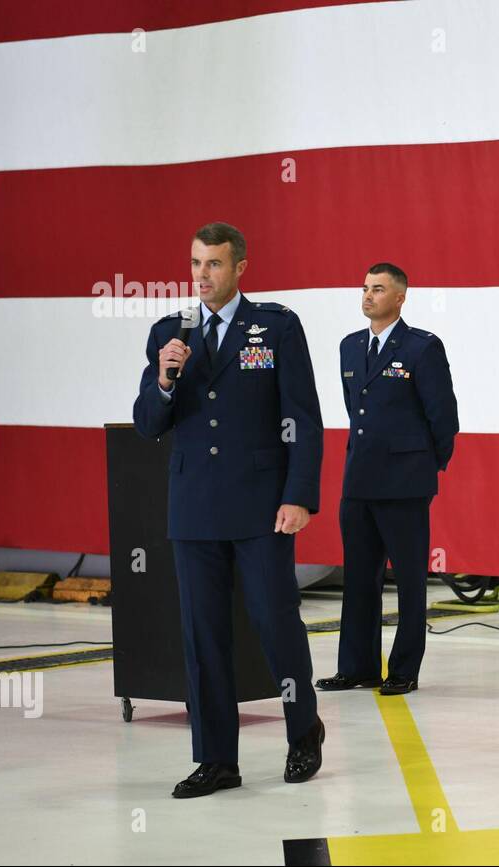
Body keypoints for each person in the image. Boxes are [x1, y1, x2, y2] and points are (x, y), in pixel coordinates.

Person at [133, 222, 325, 798]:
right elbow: (148, 422)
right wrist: (165, 379)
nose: (201, 275)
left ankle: (302, 731)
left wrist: (299, 495)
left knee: (275, 621)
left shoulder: (277, 326)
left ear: (240, 266)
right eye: (194, 263)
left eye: (213, 264)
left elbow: (303, 417)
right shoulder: (170, 333)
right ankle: (216, 758)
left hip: (262, 504)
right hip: (195, 507)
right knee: (204, 634)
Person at [316, 263, 459, 696]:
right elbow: (356, 412)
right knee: (359, 577)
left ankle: (403, 669)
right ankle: (357, 666)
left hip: (405, 484)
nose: (367, 296)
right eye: (364, 288)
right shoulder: (350, 346)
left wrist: (423, 469)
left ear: (399, 298)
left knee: (411, 581)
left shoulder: (421, 348)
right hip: (359, 479)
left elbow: (443, 418)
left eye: (377, 289)